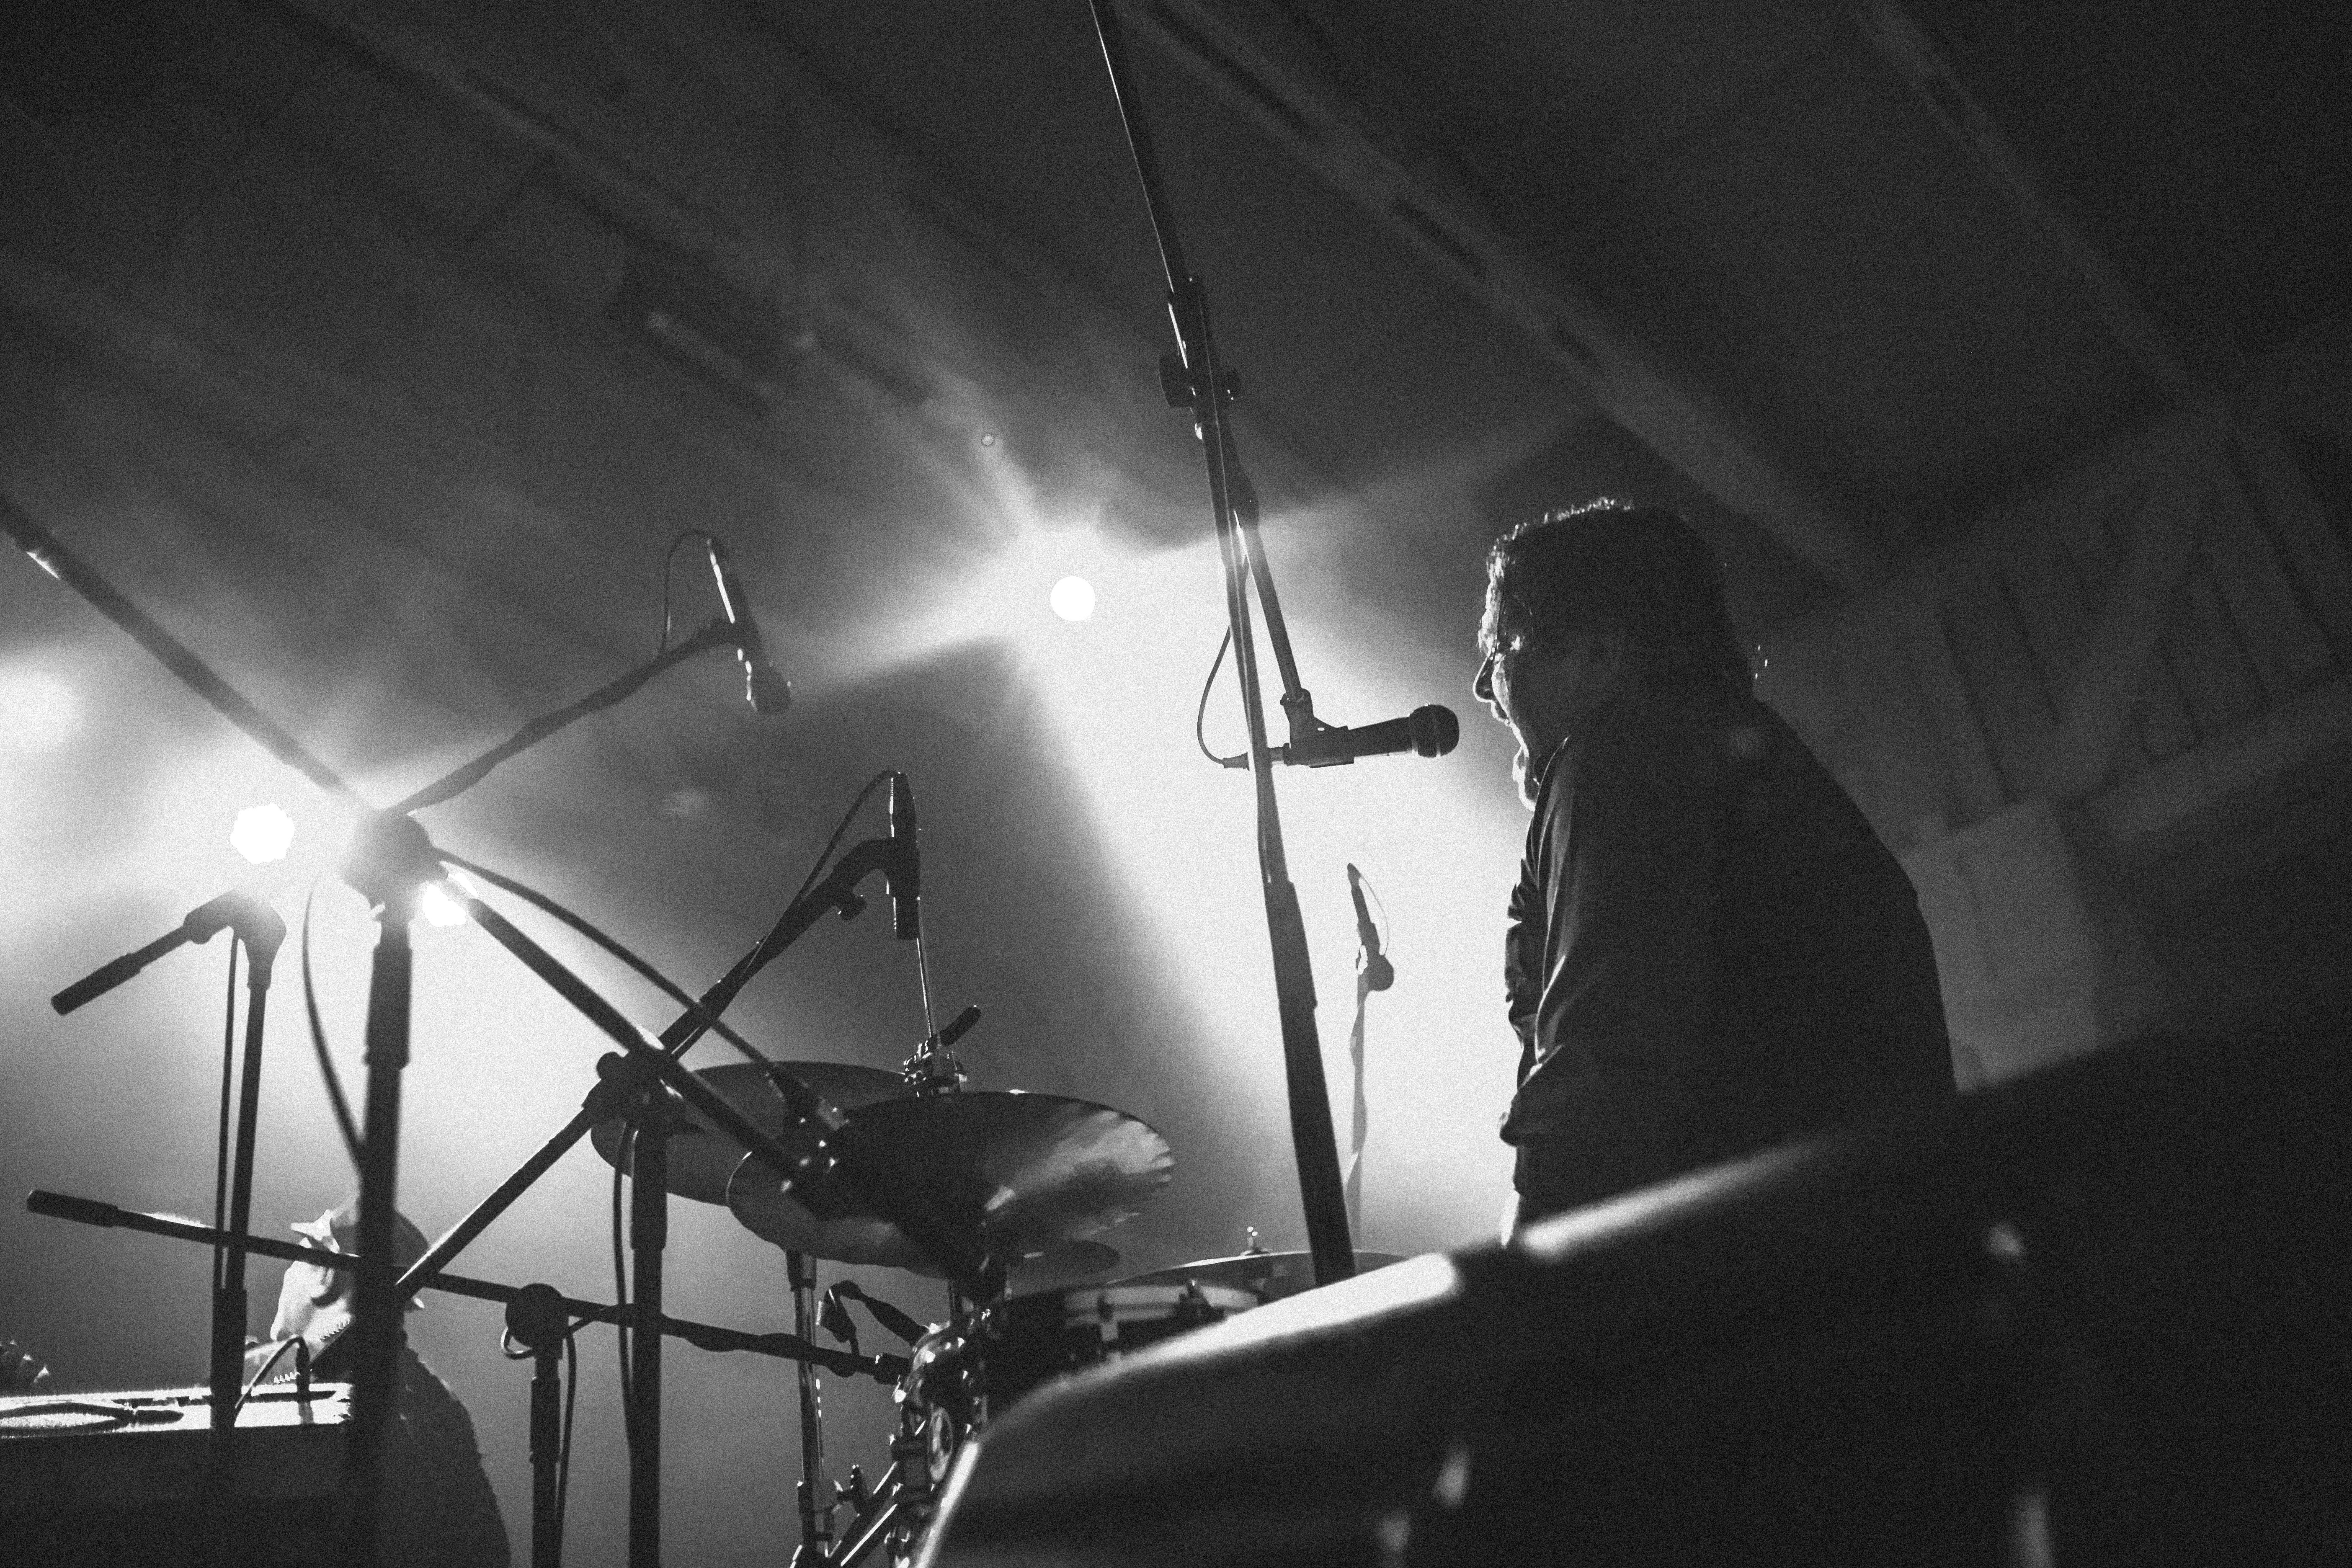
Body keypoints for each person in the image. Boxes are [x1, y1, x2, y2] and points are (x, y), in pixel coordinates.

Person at [1475, 500, 1952, 1234]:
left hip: (1750, 1285)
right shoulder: (1756, 765)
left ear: (1601, 652)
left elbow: (1602, 1076)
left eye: (1504, 647)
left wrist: (1515, 1301)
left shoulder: (1624, 754)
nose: (1486, 684)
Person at [247, 1196, 512, 1568]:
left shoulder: (400, 1413)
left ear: (324, 1276)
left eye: (299, 1258)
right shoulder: (434, 1406)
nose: (287, 1273)